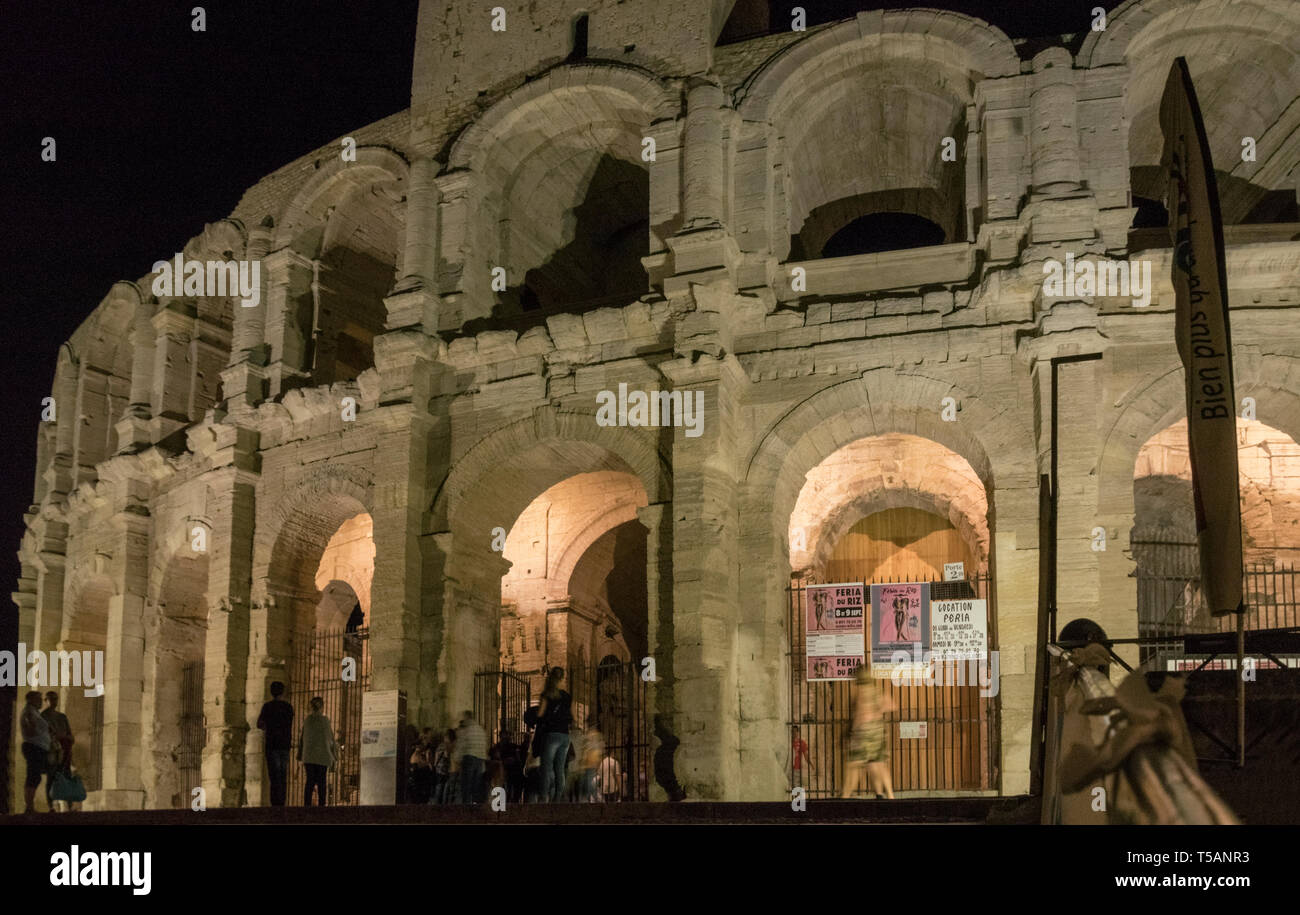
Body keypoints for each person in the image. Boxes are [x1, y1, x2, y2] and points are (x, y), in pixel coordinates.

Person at [842, 667, 893, 799]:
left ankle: (845, 797)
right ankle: (889, 795)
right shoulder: (876, 690)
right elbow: (891, 704)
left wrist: (852, 731)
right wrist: (878, 713)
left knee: (853, 764)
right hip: (878, 731)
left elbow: (860, 714)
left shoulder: (861, 691)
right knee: (878, 764)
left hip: (863, 731)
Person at [536, 667, 573, 802]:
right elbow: (571, 716)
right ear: (562, 678)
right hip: (565, 735)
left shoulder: (547, 694)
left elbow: (540, 714)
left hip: (551, 734)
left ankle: (543, 797)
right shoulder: (567, 696)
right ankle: (558, 798)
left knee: (546, 767)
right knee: (560, 768)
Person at [256, 681, 294, 806]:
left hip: (272, 744)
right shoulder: (288, 707)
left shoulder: (267, 707)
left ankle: (275, 803)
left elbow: (259, 724)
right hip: (284, 744)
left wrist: (269, 726)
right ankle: (282, 802)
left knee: (274, 775)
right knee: (283, 775)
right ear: (283, 692)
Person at [298, 696, 339, 806]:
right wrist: (335, 754)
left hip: (309, 756)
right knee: (322, 781)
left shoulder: (307, 720)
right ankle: (322, 805)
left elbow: (302, 738)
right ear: (322, 707)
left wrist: (300, 754)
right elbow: (330, 738)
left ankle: (307, 805)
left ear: (311, 707)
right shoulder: (325, 721)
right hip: (322, 756)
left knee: (310, 781)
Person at [42, 691, 75, 811]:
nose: (54, 701)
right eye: (51, 699)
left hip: (64, 750)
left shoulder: (62, 717)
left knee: (66, 776)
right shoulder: (43, 717)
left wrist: (66, 738)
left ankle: (69, 805)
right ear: (46, 700)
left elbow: (70, 735)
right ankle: (51, 806)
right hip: (51, 751)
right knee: (51, 778)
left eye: (56, 699)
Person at [20, 691, 51, 813]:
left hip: (39, 747)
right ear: (31, 699)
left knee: (35, 776)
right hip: (34, 747)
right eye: (38, 699)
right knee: (33, 776)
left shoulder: (34, 712)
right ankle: (29, 807)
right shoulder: (29, 711)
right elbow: (31, 728)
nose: (41, 701)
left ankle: (30, 806)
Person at [456, 711, 488, 805]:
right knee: (476, 784)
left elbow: (461, 745)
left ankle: (466, 807)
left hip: (469, 758)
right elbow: (484, 745)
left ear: (466, 718)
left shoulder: (466, 730)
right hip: (479, 759)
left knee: (466, 784)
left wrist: (457, 758)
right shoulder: (480, 730)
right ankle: (475, 806)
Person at [491, 730, 524, 803]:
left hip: (513, 771)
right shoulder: (498, 747)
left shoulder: (512, 746)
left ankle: (513, 800)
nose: (506, 737)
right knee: (508, 788)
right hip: (506, 771)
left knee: (515, 786)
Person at [409, 728, 436, 804]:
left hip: (422, 777)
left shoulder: (427, 749)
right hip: (419, 777)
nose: (430, 739)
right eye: (429, 736)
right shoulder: (418, 750)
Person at [578, 724, 604, 802]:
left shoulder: (595, 742)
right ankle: (589, 798)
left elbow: (595, 754)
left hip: (590, 765)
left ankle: (597, 798)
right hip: (587, 766)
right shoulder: (590, 742)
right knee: (585, 783)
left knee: (589, 783)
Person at [791, 725, 814, 791]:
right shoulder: (788, 742)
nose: (794, 733)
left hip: (797, 769)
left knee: (796, 789)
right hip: (788, 769)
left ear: (798, 732)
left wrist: (811, 764)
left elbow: (806, 756)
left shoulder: (802, 743)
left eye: (796, 731)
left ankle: (797, 800)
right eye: (793, 731)